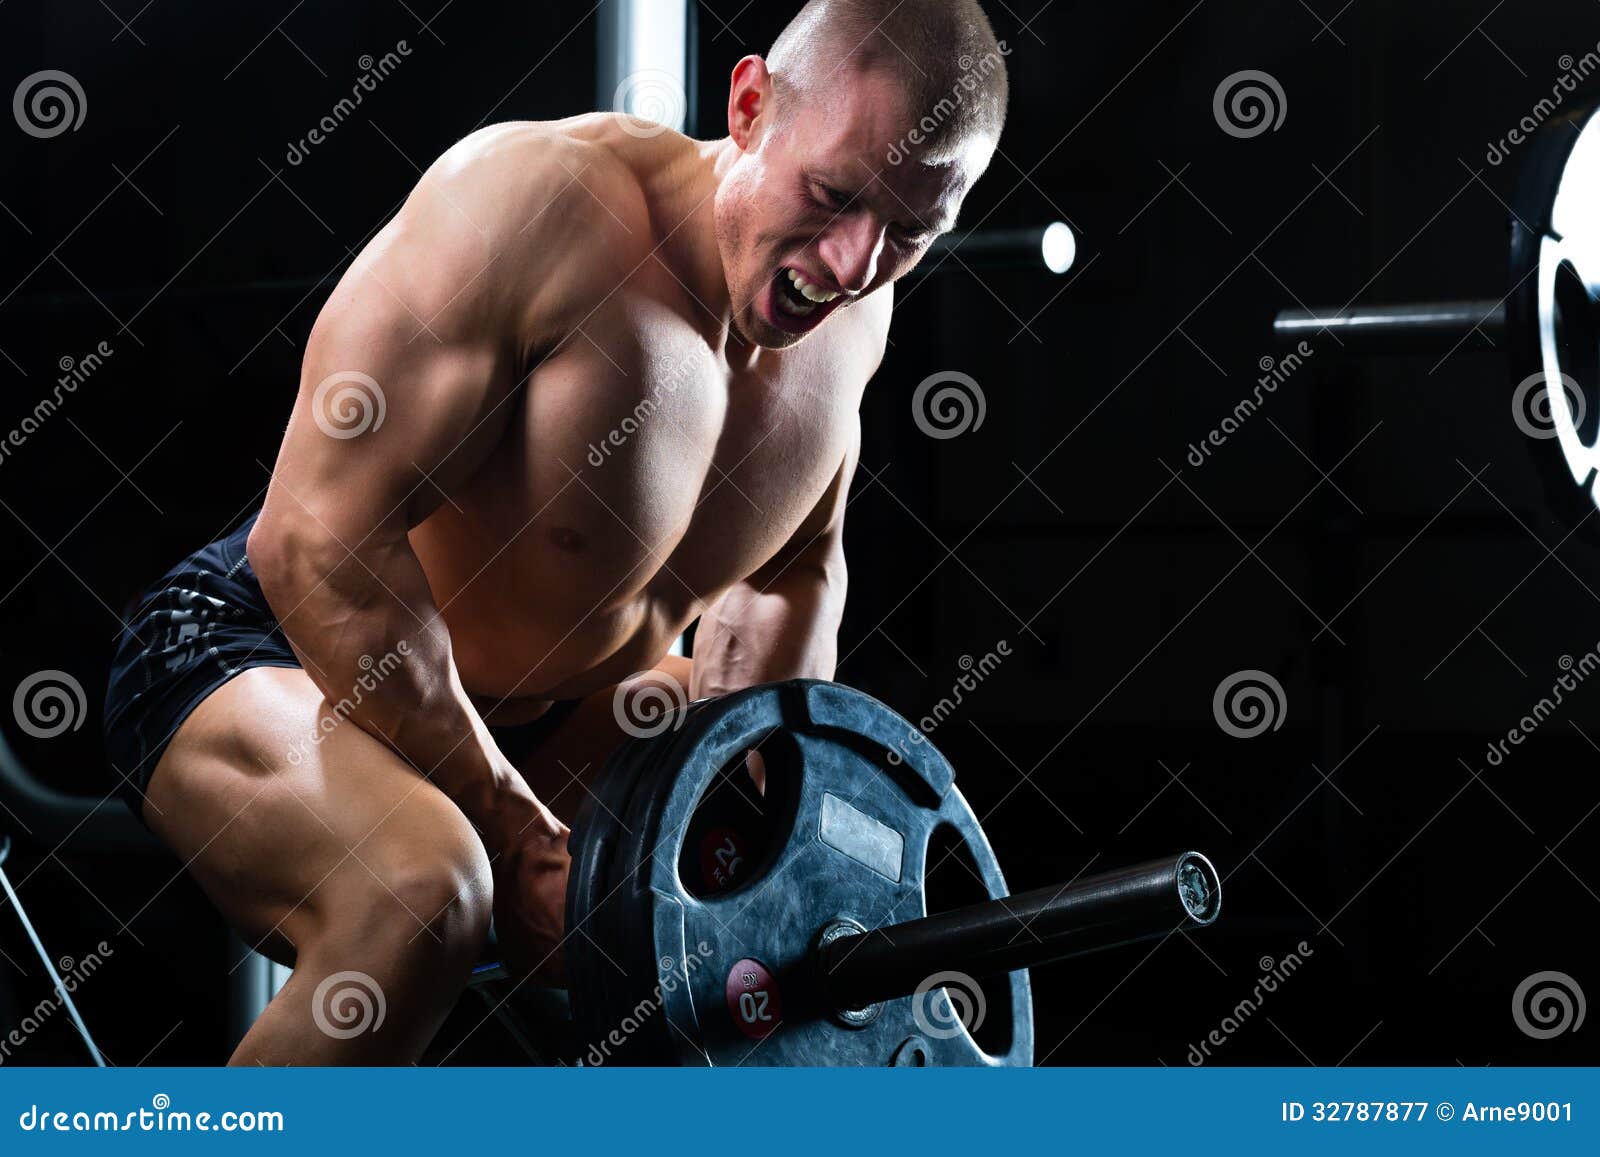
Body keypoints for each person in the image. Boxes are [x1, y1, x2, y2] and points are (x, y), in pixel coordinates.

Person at [103, 0, 1009, 1064]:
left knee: (784, 861)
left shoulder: (854, 318)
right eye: (833, 195)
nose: (854, 262)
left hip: (556, 708)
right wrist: (514, 828)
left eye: (909, 231)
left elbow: (788, 580)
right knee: (430, 889)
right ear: (752, 106)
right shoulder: (540, 205)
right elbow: (314, 544)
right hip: (267, 644)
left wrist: (782, 854)